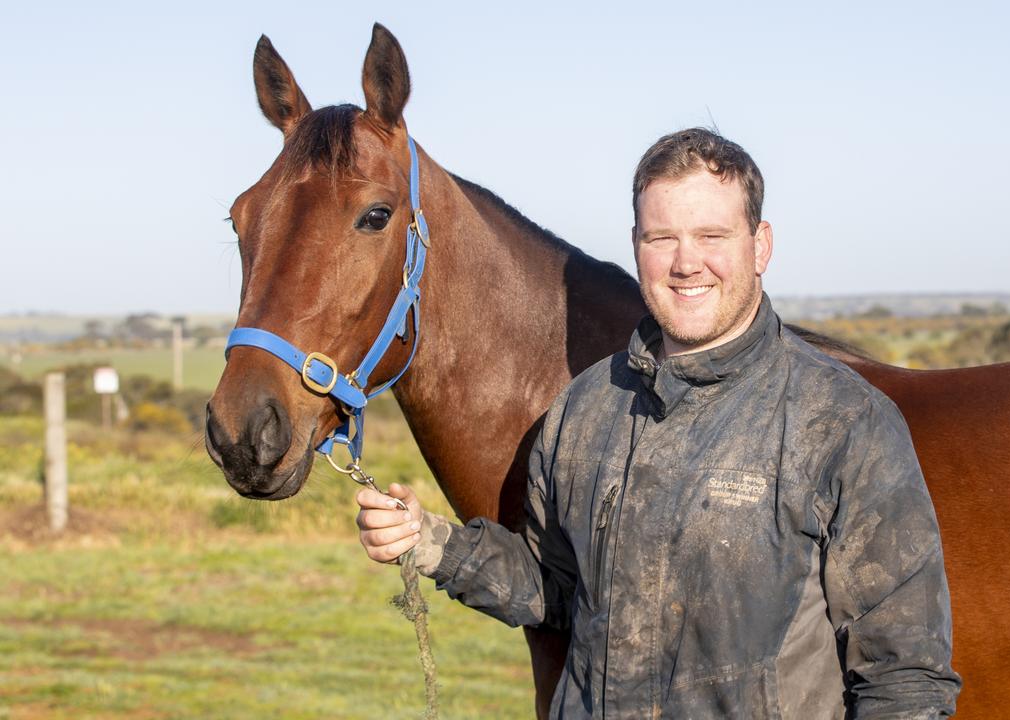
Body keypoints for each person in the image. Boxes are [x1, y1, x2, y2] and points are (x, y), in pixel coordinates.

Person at [356, 128, 961, 717]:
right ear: (636, 246)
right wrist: (433, 543)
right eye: (662, 237)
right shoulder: (586, 407)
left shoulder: (842, 422)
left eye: (712, 234)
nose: (685, 262)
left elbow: (904, 679)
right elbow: (555, 589)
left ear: (761, 245)